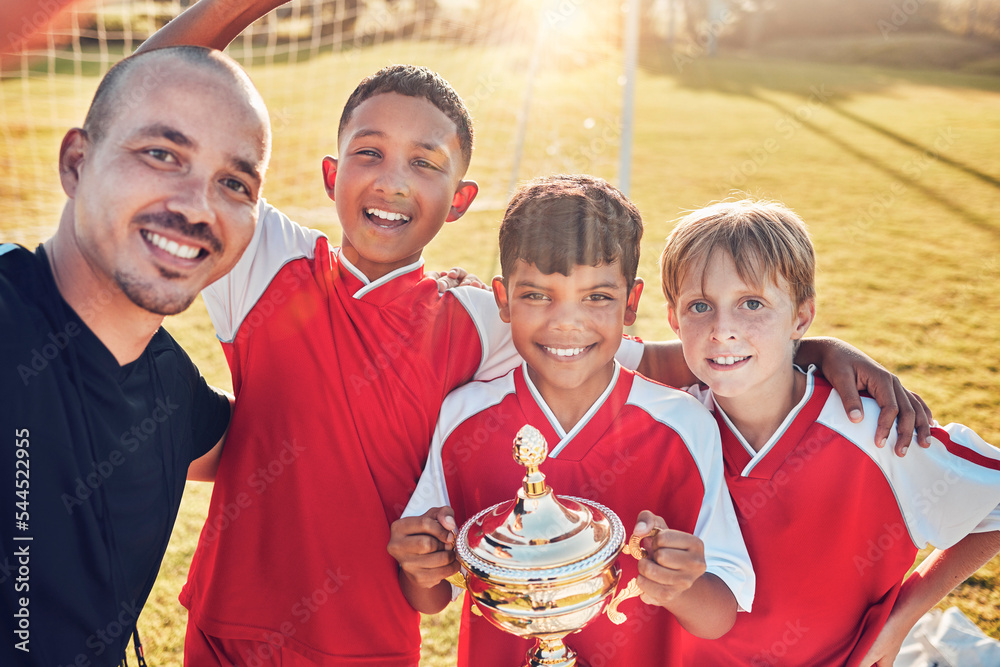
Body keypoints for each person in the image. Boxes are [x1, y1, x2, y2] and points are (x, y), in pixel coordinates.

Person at [138, 3, 934, 665]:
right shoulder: (265, 261)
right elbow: (142, 89)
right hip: (229, 620)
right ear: (329, 174)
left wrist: (818, 353)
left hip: (374, 637)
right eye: (369, 153)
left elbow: (630, 354)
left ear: (459, 199)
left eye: (425, 161)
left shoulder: (483, 319)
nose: (391, 178)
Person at [390, 174, 755, 666]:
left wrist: (680, 584)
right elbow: (432, 598)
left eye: (597, 297)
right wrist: (419, 564)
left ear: (631, 303)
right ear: (502, 298)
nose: (566, 322)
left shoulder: (683, 425)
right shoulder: (463, 416)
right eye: (538, 295)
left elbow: (719, 615)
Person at [0, 46, 271, 666]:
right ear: (76, 162)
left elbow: (264, 445)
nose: (198, 207)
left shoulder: (170, 389)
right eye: (161, 155)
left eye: (234, 182)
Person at [658, 199, 1000, 666]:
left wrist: (903, 616)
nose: (723, 330)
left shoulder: (874, 429)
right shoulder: (666, 425)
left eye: (752, 303)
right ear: (674, 320)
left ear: (801, 316)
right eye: (700, 306)